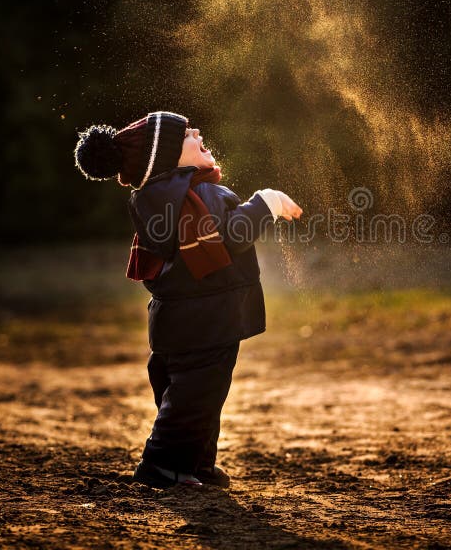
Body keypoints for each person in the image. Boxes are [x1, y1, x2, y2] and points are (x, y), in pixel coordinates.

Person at [73, 111, 302, 488]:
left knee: (195, 395)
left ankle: (194, 463)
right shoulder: (196, 195)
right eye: (185, 135)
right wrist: (267, 202)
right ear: (168, 160)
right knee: (196, 398)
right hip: (207, 321)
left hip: (177, 321)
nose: (196, 131)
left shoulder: (155, 199)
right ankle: (162, 465)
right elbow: (230, 237)